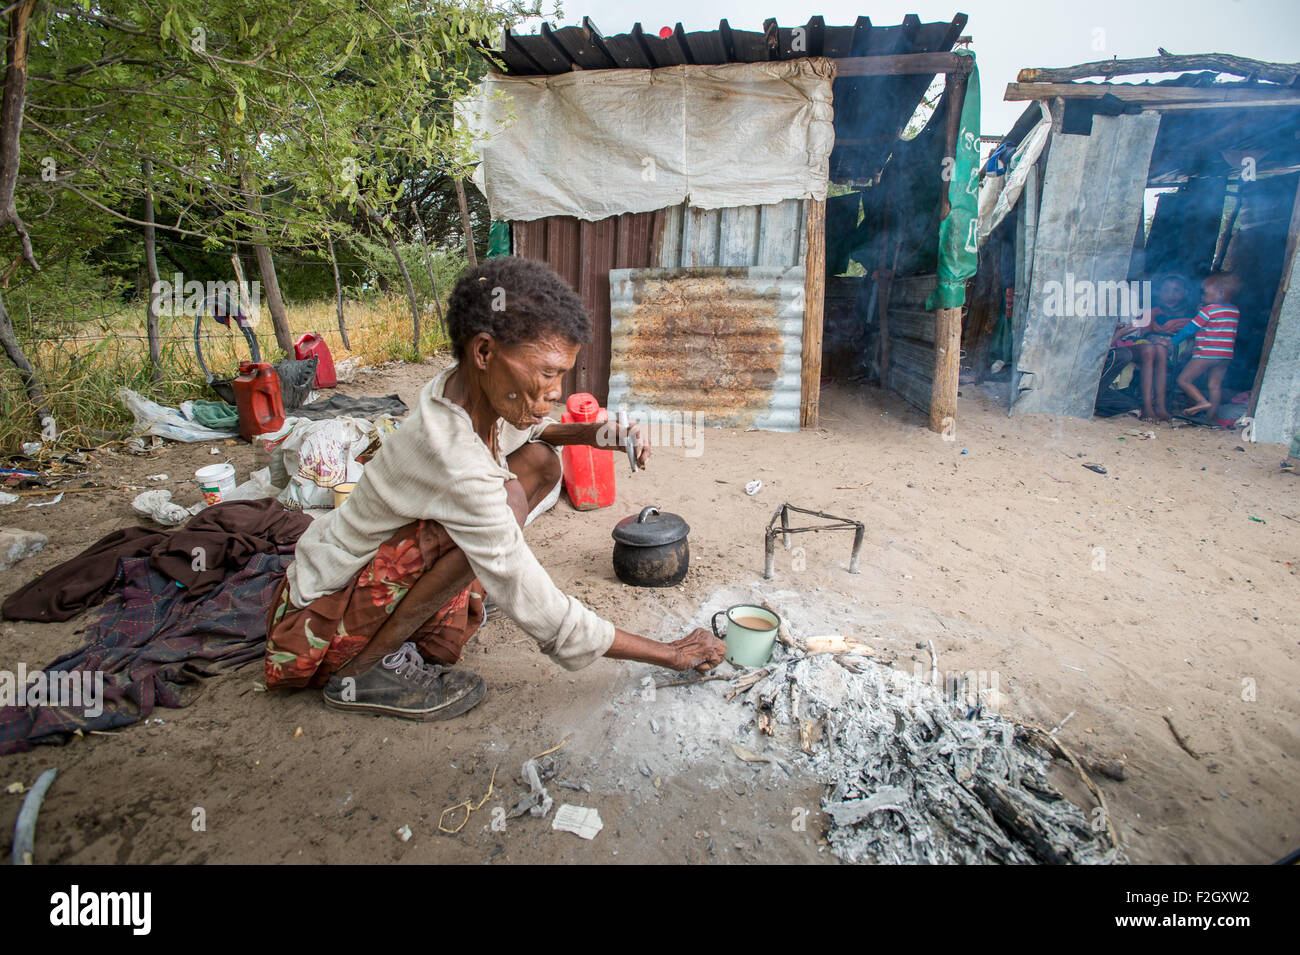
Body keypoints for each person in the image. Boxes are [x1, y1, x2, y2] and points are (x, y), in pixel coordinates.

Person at [264, 256, 726, 720]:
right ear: (484, 352)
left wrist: (601, 435)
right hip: (330, 608)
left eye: (562, 374)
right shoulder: (453, 455)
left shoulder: (464, 390)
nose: (555, 391)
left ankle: (472, 581)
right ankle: (363, 673)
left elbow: (530, 435)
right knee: (502, 508)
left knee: (539, 464)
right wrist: (671, 653)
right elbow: (550, 617)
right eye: (547, 373)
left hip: (375, 568)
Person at [1099, 273, 1196, 421]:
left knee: (1159, 350)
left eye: (1176, 290)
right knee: (1151, 349)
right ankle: (1148, 407)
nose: (1170, 295)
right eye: (1166, 290)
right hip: (1125, 345)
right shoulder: (1105, 304)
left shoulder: (1186, 317)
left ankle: (1160, 407)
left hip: (1144, 345)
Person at [1170, 272, 1243, 423]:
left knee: (1183, 380)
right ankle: (1210, 419)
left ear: (1220, 293)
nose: (1202, 296)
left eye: (1205, 292)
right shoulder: (1235, 311)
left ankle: (1201, 401)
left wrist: (1172, 341)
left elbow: (1190, 329)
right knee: (1215, 386)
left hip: (1206, 354)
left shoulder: (1208, 311)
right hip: (1225, 355)